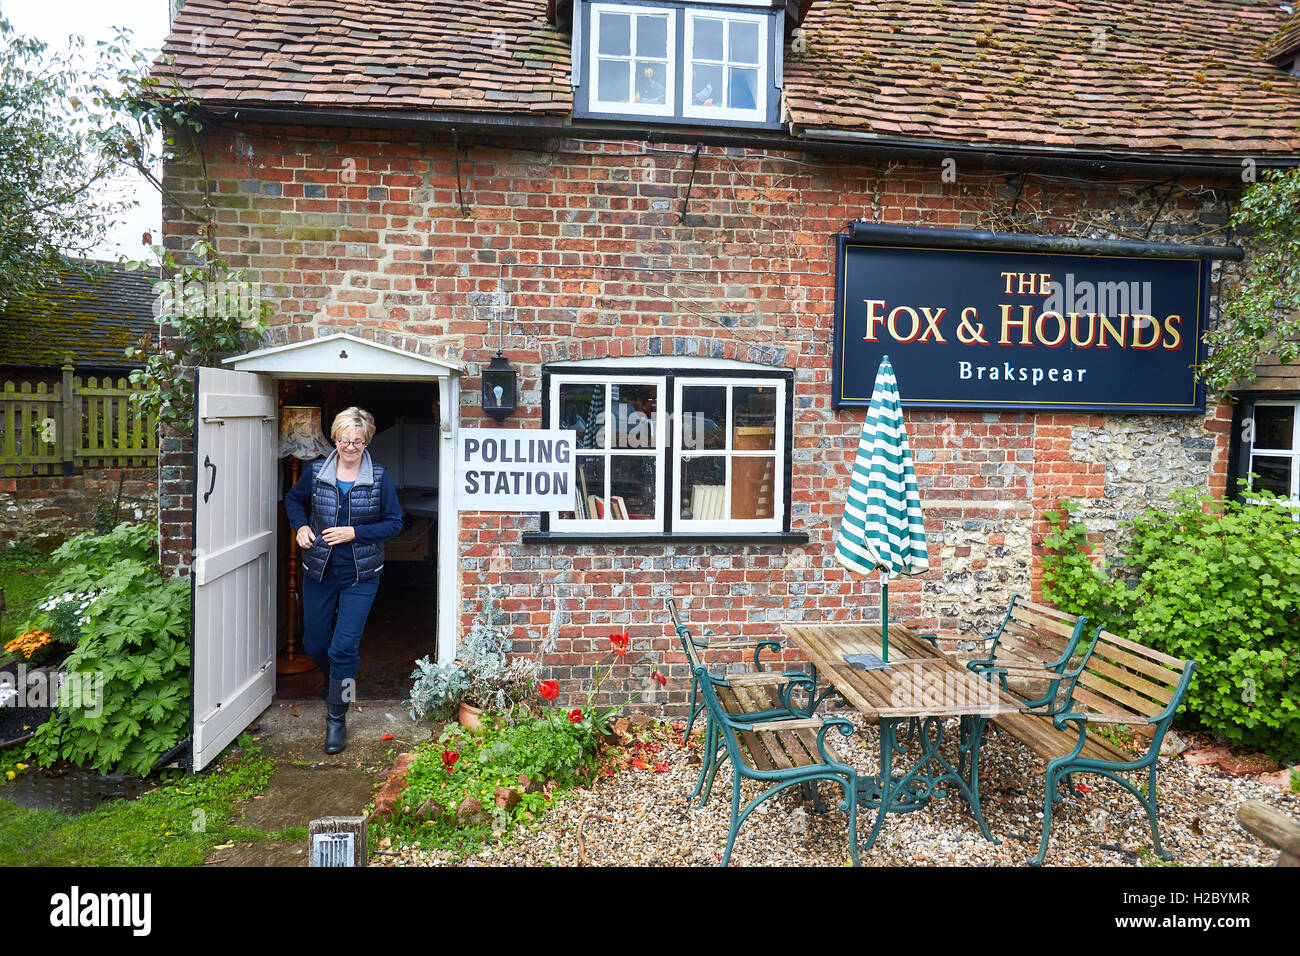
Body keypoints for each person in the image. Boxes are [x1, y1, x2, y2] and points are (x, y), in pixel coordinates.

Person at [284, 407, 403, 754]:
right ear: (334, 439)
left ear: (366, 442)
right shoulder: (315, 472)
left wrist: (356, 532)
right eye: (344, 440)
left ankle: (338, 714)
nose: (350, 447)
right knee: (316, 644)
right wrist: (301, 527)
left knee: (344, 648)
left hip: (361, 575)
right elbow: (294, 501)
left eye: (357, 441)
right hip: (319, 571)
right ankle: (339, 678)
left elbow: (395, 523)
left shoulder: (379, 477)